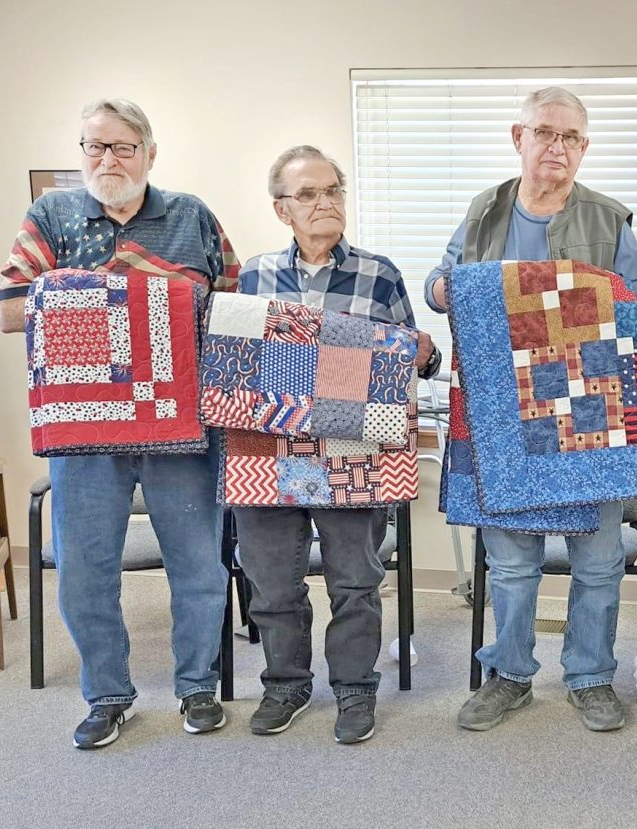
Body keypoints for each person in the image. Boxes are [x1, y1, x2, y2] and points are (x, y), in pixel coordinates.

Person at [0, 99, 238, 748]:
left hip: (181, 428)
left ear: (150, 153)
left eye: (123, 147)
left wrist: (152, 287)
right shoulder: (52, 215)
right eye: (95, 146)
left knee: (199, 566)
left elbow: (235, 310)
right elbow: (13, 310)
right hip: (83, 433)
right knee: (83, 571)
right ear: (82, 153)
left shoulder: (192, 216)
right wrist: (117, 292)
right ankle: (106, 696)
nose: (108, 159)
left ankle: (197, 687)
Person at [426, 87, 637, 732]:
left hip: (589, 409)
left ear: (584, 147)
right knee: (510, 563)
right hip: (500, 413)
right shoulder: (484, 211)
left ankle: (590, 677)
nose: (558, 147)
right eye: (545, 133)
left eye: (571, 137)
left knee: (599, 562)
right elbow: (439, 283)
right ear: (518, 137)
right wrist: (450, 289)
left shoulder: (608, 218)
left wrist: (565, 294)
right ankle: (509, 675)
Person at [236, 145, 437, 744]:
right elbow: (238, 366)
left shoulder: (380, 274)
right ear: (282, 209)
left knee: (355, 581)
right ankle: (286, 685)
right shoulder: (253, 276)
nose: (324, 202)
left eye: (332, 190)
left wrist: (423, 355)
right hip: (267, 450)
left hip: (353, 452)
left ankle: (354, 688)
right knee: (273, 581)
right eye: (308, 194)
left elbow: (412, 363)